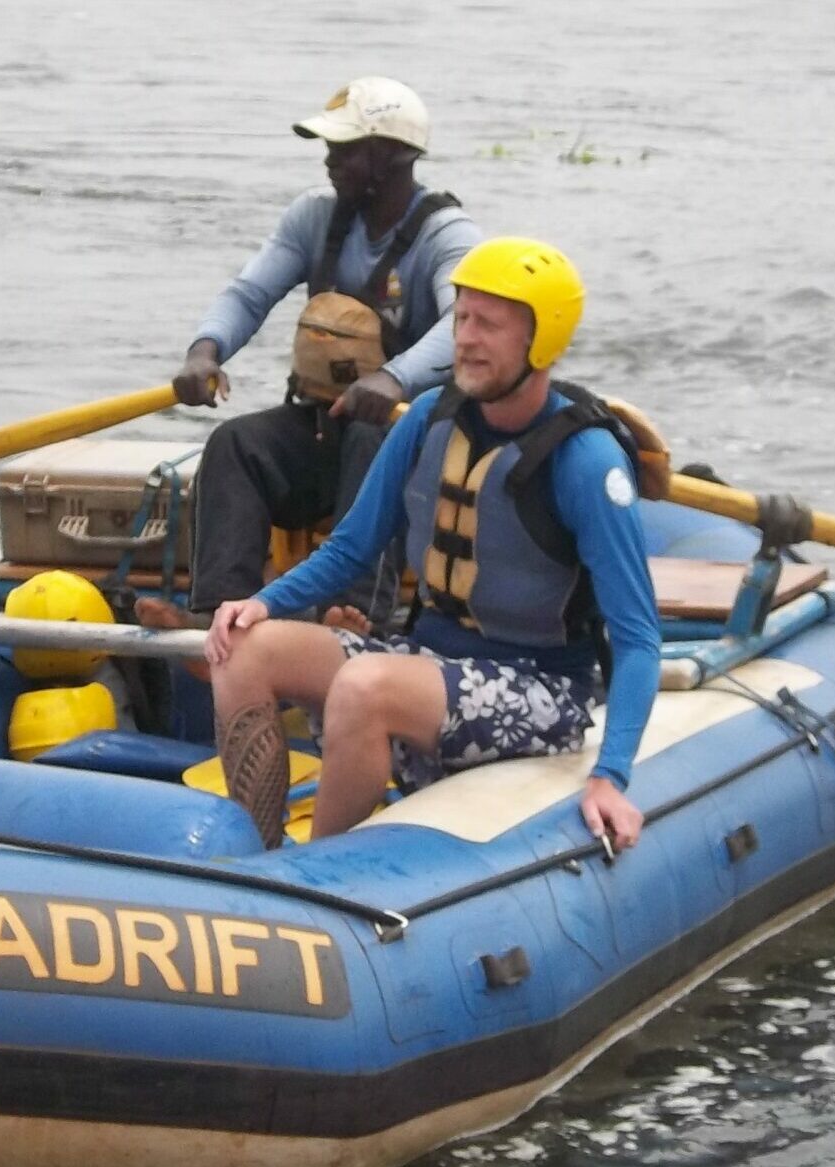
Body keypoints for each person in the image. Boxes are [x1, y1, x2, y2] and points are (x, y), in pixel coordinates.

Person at [203, 238, 658, 850]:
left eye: (489, 325)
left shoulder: (586, 462)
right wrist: (261, 603)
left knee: (366, 685)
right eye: (462, 318)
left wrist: (612, 775)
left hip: (543, 691)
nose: (466, 338)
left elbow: (637, 638)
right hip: (426, 659)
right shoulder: (426, 420)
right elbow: (350, 549)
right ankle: (260, 850)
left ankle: (308, 873)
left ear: (542, 342)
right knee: (244, 647)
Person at [167, 77, 484, 625]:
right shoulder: (313, 217)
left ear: (391, 155)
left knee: (371, 437)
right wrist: (205, 350)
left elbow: (465, 325)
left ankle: (353, 614)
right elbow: (250, 293)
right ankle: (220, 615)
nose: (329, 161)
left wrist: (394, 380)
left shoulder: (448, 236)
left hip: (417, 446)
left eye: (344, 148)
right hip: (327, 424)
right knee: (236, 443)